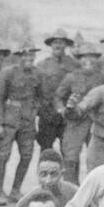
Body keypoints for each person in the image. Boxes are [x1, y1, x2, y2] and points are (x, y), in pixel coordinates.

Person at [0, 39, 41, 204]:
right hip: (9, 119)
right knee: (3, 155)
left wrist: (34, 110)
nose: (28, 58)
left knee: (26, 155)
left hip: (28, 120)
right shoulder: (7, 73)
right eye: (24, 55)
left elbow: (41, 96)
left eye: (31, 54)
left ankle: (16, 189)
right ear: (19, 56)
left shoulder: (37, 74)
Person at [55, 42, 104, 182]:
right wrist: (62, 109)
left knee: (96, 158)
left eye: (91, 57)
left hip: (96, 122)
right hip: (75, 122)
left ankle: (94, 189)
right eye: (84, 57)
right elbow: (58, 96)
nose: (88, 60)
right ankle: (71, 188)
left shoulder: (103, 78)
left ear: (96, 59)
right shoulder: (71, 77)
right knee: (71, 157)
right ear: (79, 59)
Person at [36, 29, 77, 158]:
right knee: (46, 150)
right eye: (55, 42)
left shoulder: (74, 64)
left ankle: (69, 178)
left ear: (66, 45)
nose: (58, 45)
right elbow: (36, 90)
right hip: (47, 115)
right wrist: (40, 109)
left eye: (61, 42)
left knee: (69, 151)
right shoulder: (42, 65)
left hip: (67, 114)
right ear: (51, 45)